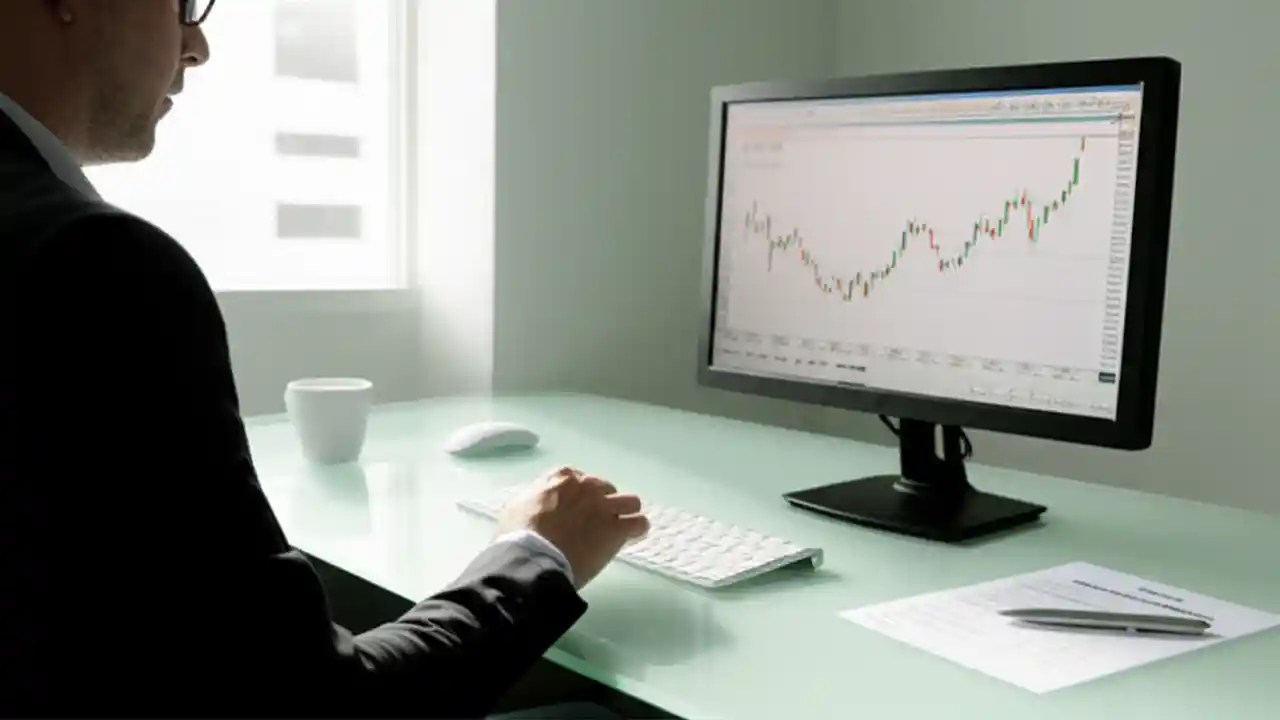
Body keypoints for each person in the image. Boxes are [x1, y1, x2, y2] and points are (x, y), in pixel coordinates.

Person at [0, 1, 649, 716]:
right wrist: (534, 554)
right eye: (183, 4)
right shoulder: (92, 263)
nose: (198, 45)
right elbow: (319, 705)